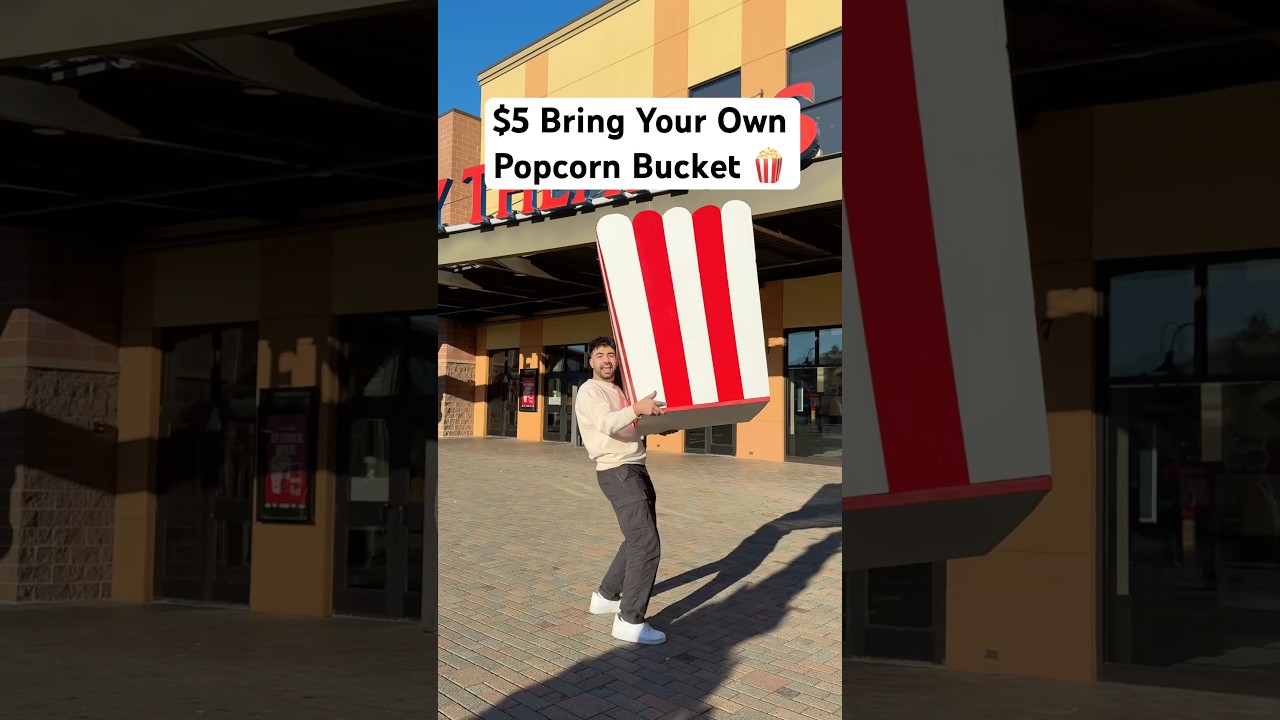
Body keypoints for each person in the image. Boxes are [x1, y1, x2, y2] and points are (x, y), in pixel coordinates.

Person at [574, 336, 669, 644]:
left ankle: (605, 596)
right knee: (646, 542)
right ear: (591, 362)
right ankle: (629, 621)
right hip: (617, 472)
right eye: (600, 355)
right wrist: (636, 408)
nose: (606, 360)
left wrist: (654, 422)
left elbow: (627, 427)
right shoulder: (590, 392)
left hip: (634, 467)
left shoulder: (616, 390)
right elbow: (607, 423)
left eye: (611, 355)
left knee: (636, 537)